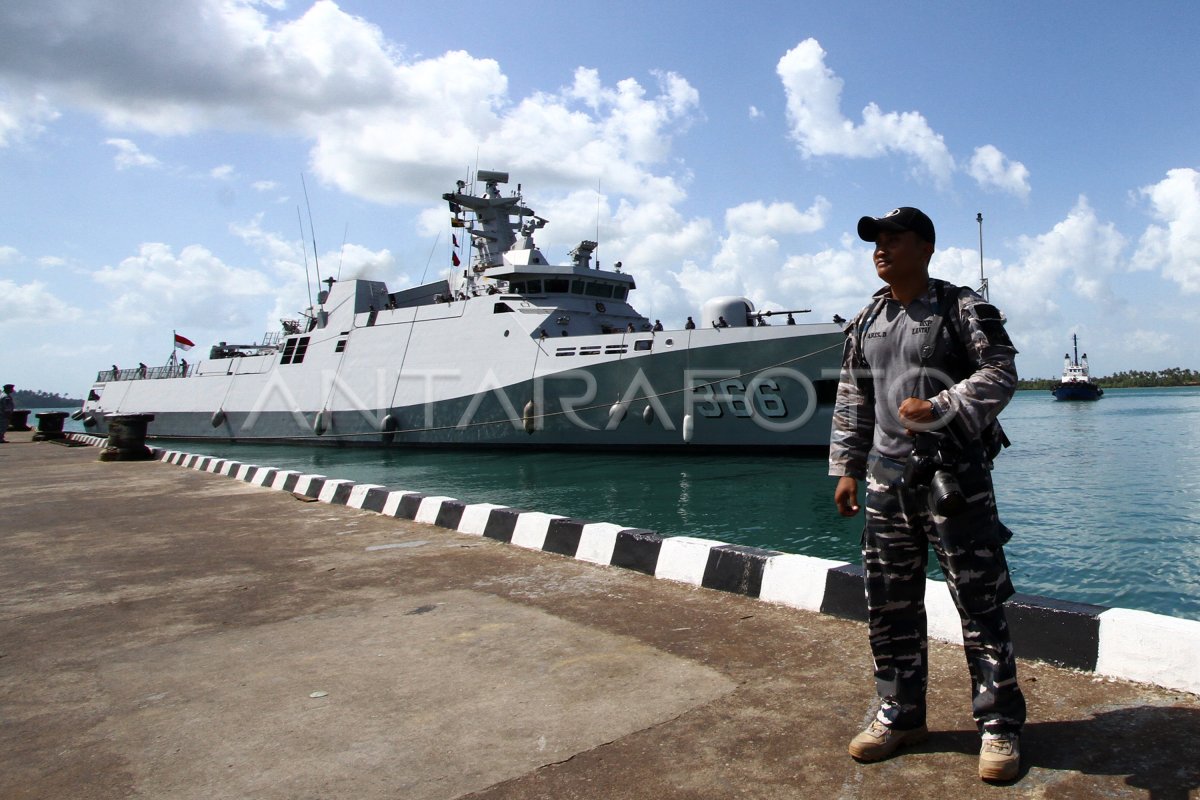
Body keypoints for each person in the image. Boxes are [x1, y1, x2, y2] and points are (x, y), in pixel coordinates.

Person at [830, 206, 1024, 782]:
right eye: (877, 240)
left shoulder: (962, 307)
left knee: (979, 603)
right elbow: (853, 395)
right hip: (886, 483)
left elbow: (1001, 371)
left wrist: (941, 407)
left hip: (953, 479)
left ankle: (999, 725)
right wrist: (846, 466)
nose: (881, 248)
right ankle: (900, 712)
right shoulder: (867, 318)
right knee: (888, 605)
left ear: (926, 246)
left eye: (895, 238)